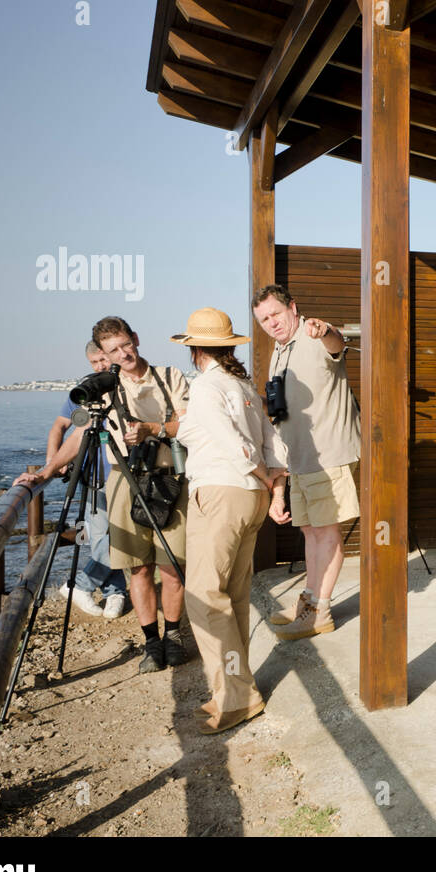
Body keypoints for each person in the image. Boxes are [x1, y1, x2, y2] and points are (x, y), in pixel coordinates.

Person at [16, 317, 190, 675]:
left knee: (172, 566)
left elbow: (189, 423)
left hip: (169, 480)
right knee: (137, 567)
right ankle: (151, 643)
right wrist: (46, 472)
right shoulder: (104, 388)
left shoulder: (170, 376)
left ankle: (173, 635)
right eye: (113, 350)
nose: (123, 353)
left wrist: (151, 430)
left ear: (136, 339)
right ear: (103, 353)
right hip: (124, 481)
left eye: (126, 344)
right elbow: (78, 435)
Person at [171, 308, 288, 734]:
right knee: (233, 594)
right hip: (250, 499)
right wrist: (273, 486)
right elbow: (274, 442)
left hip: (221, 493)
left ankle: (236, 697)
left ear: (195, 349)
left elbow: (236, 446)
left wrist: (258, 471)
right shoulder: (243, 386)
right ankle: (236, 690)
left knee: (202, 596)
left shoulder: (205, 387)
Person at [251, 284, 360, 639]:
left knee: (327, 533)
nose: (271, 323)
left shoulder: (314, 335)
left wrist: (326, 329)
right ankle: (309, 600)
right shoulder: (279, 350)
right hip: (297, 458)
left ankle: (319, 613)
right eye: (264, 319)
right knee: (310, 531)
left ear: (292, 308)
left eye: (275, 315)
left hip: (329, 455)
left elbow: (337, 344)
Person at [44, 339, 129, 619]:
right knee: (102, 538)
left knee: (118, 538)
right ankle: (110, 591)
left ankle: (92, 587)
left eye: (103, 360)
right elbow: (61, 426)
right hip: (94, 477)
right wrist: (52, 462)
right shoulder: (87, 393)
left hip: (125, 474)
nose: (101, 366)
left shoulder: (124, 385)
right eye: (95, 363)